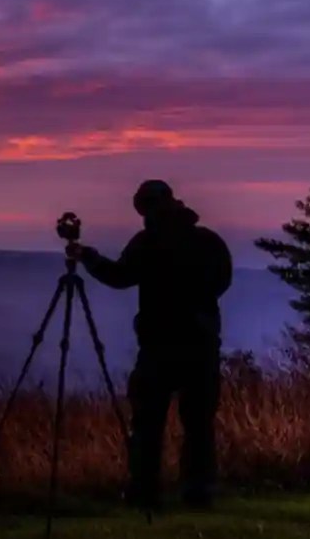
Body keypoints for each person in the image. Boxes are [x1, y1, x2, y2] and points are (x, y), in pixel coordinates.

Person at [67, 180, 233, 510]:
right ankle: (197, 493)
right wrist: (197, 305)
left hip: (158, 345)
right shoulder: (208, 241)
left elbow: (120, 277)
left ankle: (144, 492)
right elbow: (223, 281)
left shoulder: (147, 243)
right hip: (201, 343)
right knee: (199, 424)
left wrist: (88, 257)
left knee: (148, 422)